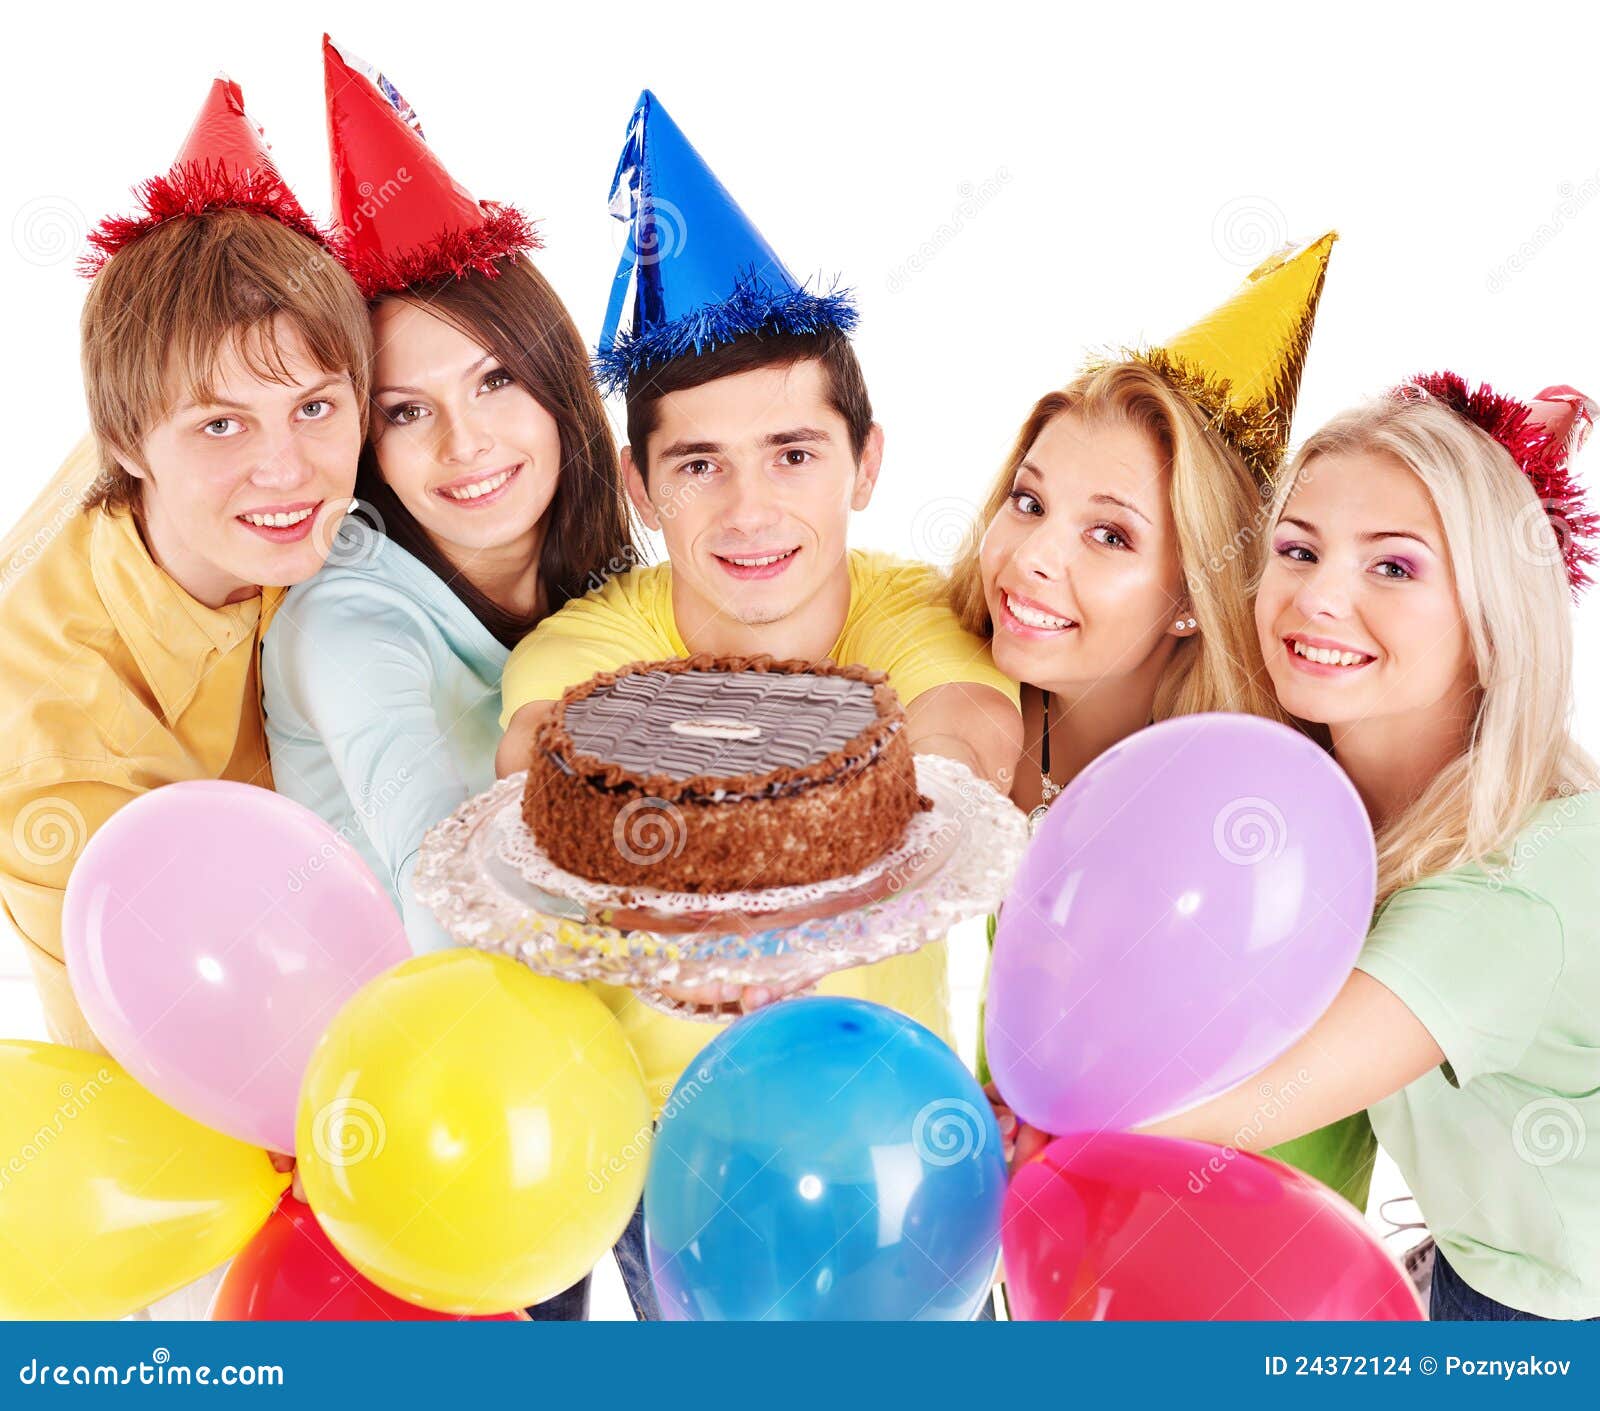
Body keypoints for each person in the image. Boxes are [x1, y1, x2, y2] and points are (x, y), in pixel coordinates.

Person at [494, 90, 1022, 1318]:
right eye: (697, 465)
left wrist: (769, 931)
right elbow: (537, 763)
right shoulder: (594, 646)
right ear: (638, 486)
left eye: (793, 453)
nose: (748, 512)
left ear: (866, 461)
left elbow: (969, 741)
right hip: (682, 1165)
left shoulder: (913, 614)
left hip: (907, 1149)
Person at [260, 39, 641, 1321]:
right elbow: (449, 881)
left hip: (577, 1082)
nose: (466, 444)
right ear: (364, 438)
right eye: (406, 411)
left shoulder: (601, 579)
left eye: (492, 381)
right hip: (413, 1138)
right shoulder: (347, 622)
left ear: (555, 383)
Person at [1139, 374, 1600, 1321]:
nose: (1318, 597)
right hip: (1481, 1266)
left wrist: (1023, 1120)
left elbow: (1255, 1095)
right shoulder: (1336, 808)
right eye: (1298, 550)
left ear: (1492, 616)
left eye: (1393, 567)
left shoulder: (1506, 893)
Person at [953, 236, 1379, 1212]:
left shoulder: (1278, 775)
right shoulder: (966, 701)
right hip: (1029, 1172)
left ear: (1194, 593)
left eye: (1110, 534)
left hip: (1251, 1210)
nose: (1031, 558)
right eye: (1028, 502)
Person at [0, 76, 371, 1052]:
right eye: (221, 423)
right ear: (125, 441)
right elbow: (180, 1037)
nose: (286, 467)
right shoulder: (53, 728)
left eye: (316, 407)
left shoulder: (239, 465)